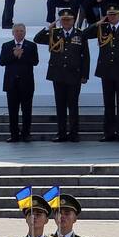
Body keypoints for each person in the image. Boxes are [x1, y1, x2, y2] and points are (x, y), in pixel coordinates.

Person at [83, 4, 119, 141]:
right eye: (109, 15)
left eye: (114, 14)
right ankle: (109, 132)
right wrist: (97, 24)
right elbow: (84, 35)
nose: (111, 17)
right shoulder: (102, 28)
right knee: (108, 103)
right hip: (106, 70)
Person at [45, 8, 91, 141]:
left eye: (68, 19)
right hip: (58, 74)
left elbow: (85, 56)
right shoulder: (54, 33)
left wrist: (84, 75)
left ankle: (74, 133)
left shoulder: (80, 34)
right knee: (60, 105)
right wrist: (49, 27)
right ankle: (61, 133)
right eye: (63, 20)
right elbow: (38, 39)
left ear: (73, 20)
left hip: (74, 75)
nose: (66, 22)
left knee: (73, 105)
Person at [0, 23, 38, 142]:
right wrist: (13, 55)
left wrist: (22, 55)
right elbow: (2, 61)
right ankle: (14, 134)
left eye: (21, 31)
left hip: (26, 84)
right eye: (16, 31)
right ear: (12, 33)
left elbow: (35, 61)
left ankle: (26, 134)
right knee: (12, 111)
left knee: (27, 111)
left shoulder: (31, 46)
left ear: (25, 32)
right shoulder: (6, 46)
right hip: (11, 84)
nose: (19, 33)